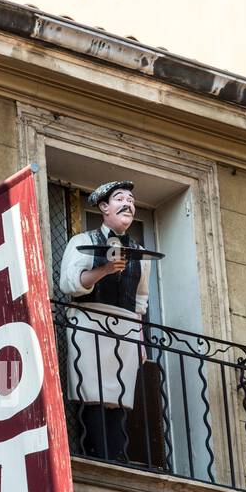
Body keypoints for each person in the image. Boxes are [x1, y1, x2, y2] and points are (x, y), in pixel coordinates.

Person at [58, 180, 151, 461]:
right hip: (89, 322)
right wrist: (105, 270)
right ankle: (96, 453)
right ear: (104, 207)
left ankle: (118, 455)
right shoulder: (82, 242)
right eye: (120, 198)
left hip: (126, 325)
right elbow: (70, 284)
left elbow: (141, 299)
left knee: (120, 394)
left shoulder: (140, 252)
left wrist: (141, 341)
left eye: (132, 200)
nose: (128, 204)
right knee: (92, 388)